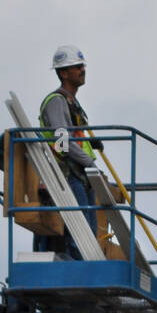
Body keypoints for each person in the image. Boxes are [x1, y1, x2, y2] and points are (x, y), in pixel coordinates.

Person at [34, 45, 102, 260]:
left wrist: (90, 145)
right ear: (64, 73)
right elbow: (63, 144)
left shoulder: (72, 103)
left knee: (89, 234)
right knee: (80, 234)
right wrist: (89, 162)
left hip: (80, 174)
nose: (83, 70)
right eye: (77, 67)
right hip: (68, 174)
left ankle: (84, 271)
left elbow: (72, 137)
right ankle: (77, 271)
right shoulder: (56, 102)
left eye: (82, 66)